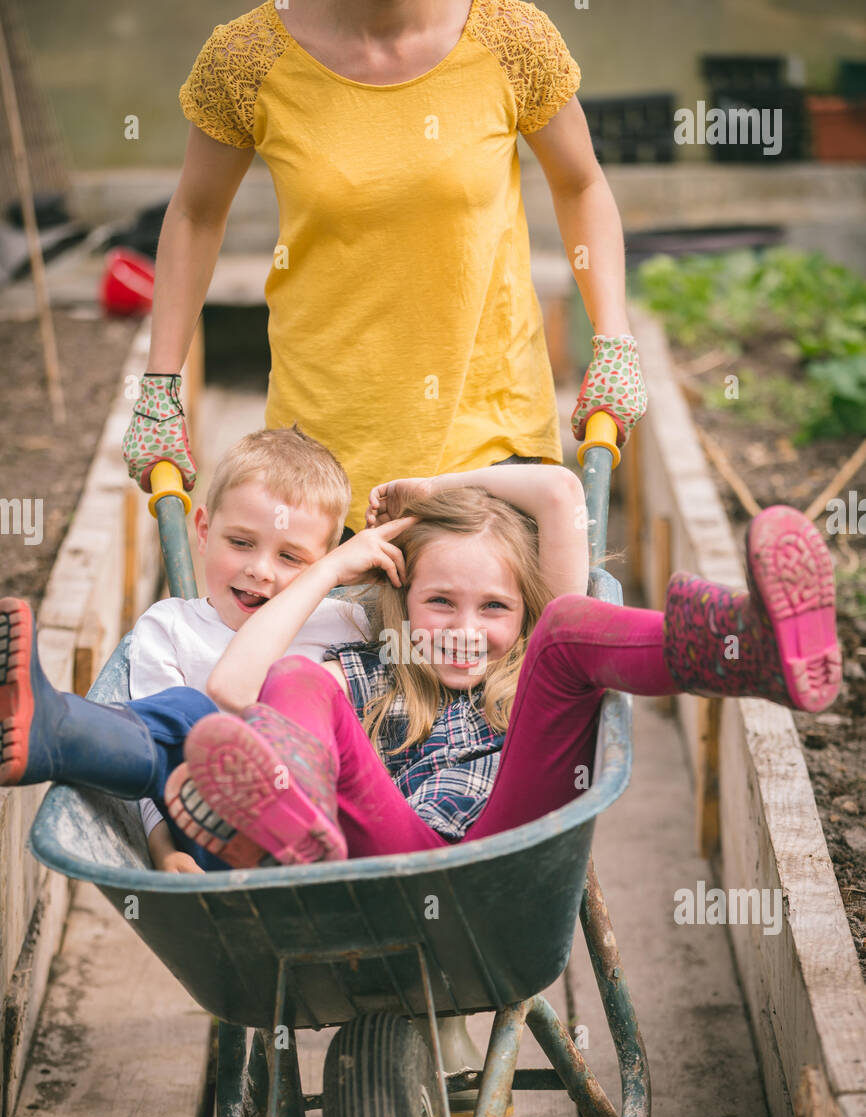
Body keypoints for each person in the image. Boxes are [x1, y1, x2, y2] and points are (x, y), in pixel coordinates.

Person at [121, 0, 647, 534]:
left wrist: (614, 339)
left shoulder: (509, 39)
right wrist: (161, 385)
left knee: (475, 616)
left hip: (491, 437)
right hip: (321, 457)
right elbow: (195, 214)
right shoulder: (246, 60)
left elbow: (580, 184)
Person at [160, 467, 841, 871]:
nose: (463, 631)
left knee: (570, 625)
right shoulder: (379, 670)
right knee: (300, 678)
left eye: (492, 606)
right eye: (439, 603)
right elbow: (231, 688)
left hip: (504, 857)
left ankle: (747, 651)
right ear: (401, 599)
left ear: (519, 610)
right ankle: (290, 791)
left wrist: (435, 489)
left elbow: (559, 488)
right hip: (386, 859)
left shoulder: (531, 670)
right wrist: (337, 565)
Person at [0, 425, 412, 873]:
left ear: (330, 564)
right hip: (215, 836)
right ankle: (53, 728)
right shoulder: (170, 626)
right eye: (240, 543)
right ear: (203, 529)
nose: (259, 570)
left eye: (290, 558)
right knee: (186, 712)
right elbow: (151, 757)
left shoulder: (343, 621)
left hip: (326, 835)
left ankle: (58, 726)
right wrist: (162, 850)